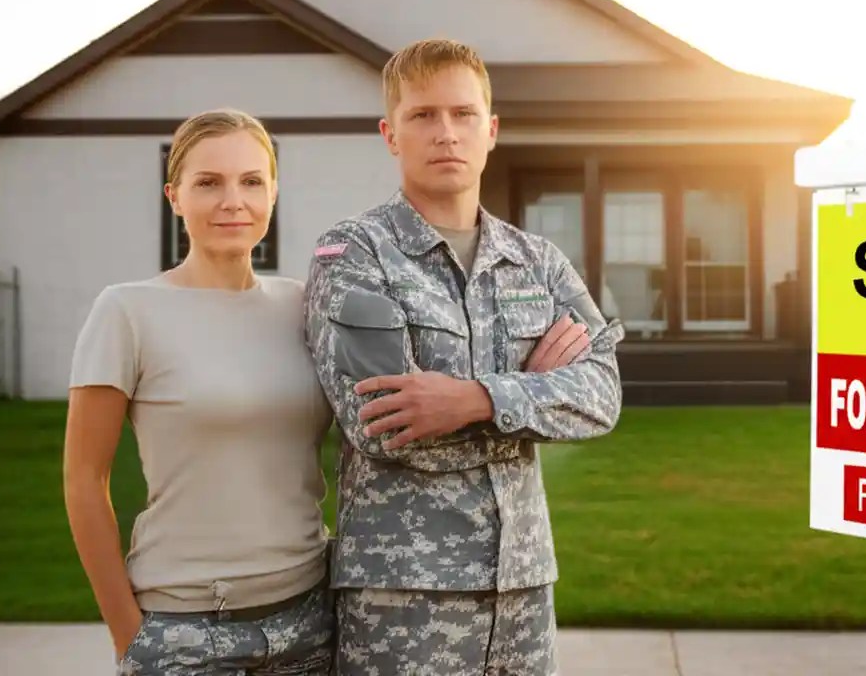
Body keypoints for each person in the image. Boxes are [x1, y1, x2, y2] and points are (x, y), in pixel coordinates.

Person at [304, 39, 625, 675]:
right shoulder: (353, 255)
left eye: (463, 114)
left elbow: (601, 399)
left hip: (524, 591)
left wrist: (473, 399)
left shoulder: (537, 261)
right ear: (390, 135)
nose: (445, 133)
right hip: (403, 599)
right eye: (422, 116)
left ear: (491, 129)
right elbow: (382, 427)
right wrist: (530, 395)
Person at [64, 109, 336, 675]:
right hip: (182, 630)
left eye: (251, 181)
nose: (232, 200)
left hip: (312, 622)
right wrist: (127, 633)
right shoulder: (127, 310)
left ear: (273, 193)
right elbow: (84, 480)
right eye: (208, 182)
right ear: (175, 195)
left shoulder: (305, 305)